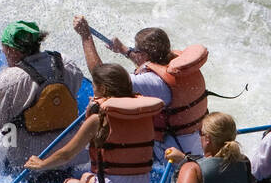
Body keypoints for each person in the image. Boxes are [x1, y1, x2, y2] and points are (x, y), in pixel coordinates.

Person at [24, 64, 159, 183]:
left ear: (102, 88)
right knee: (86, 177)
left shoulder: (97, 120)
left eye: (94, 86)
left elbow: (67, 154)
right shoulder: (145, 115)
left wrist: (42, 164)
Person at [0, 20, 84, 175]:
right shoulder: (65, 63)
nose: (4, 53)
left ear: (13, 50)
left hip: (29, 164)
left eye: (4, 49)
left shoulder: (11, 79)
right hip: (70, 156)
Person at [72, 16, 207, 162]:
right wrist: (124, 50)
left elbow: (100, 74)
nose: (133, 52)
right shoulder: (176, 62)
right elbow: (149, 62)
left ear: (144, 55)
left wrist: (86, 37)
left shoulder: (154, 82)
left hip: (176, 153)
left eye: (136, 50)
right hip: (199, 141)